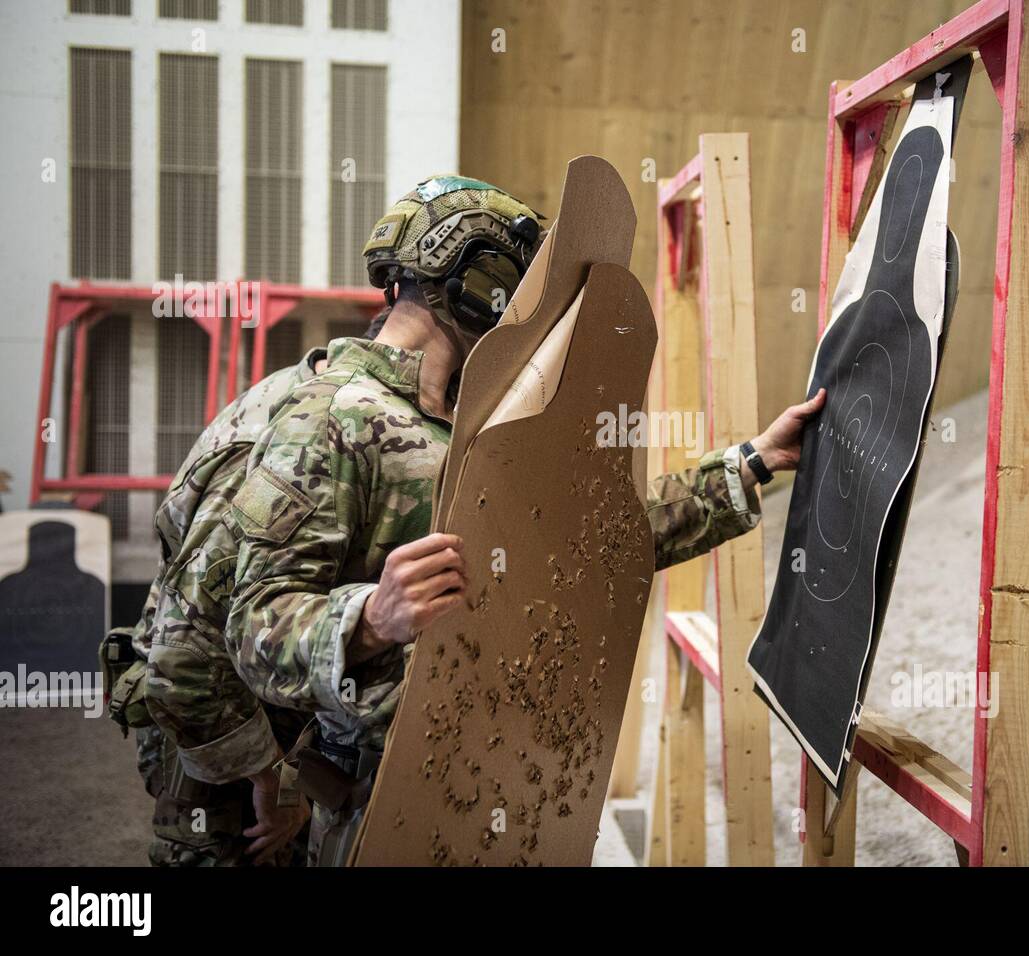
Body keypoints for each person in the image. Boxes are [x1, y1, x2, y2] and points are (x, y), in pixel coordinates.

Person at [220, 173, 825, 864]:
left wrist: (752, 462)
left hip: (492, 778)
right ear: (481, 280)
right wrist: (369, 617)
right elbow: (253, 626)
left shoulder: (473, 417)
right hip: (386, 805)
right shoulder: (328, 417)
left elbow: (592, 540)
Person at [101, 311, 388, 866]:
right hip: (222, 749)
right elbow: (183, 661)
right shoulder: (291, 437)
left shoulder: (322, 402)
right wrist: (273, 786)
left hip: (264, 725)